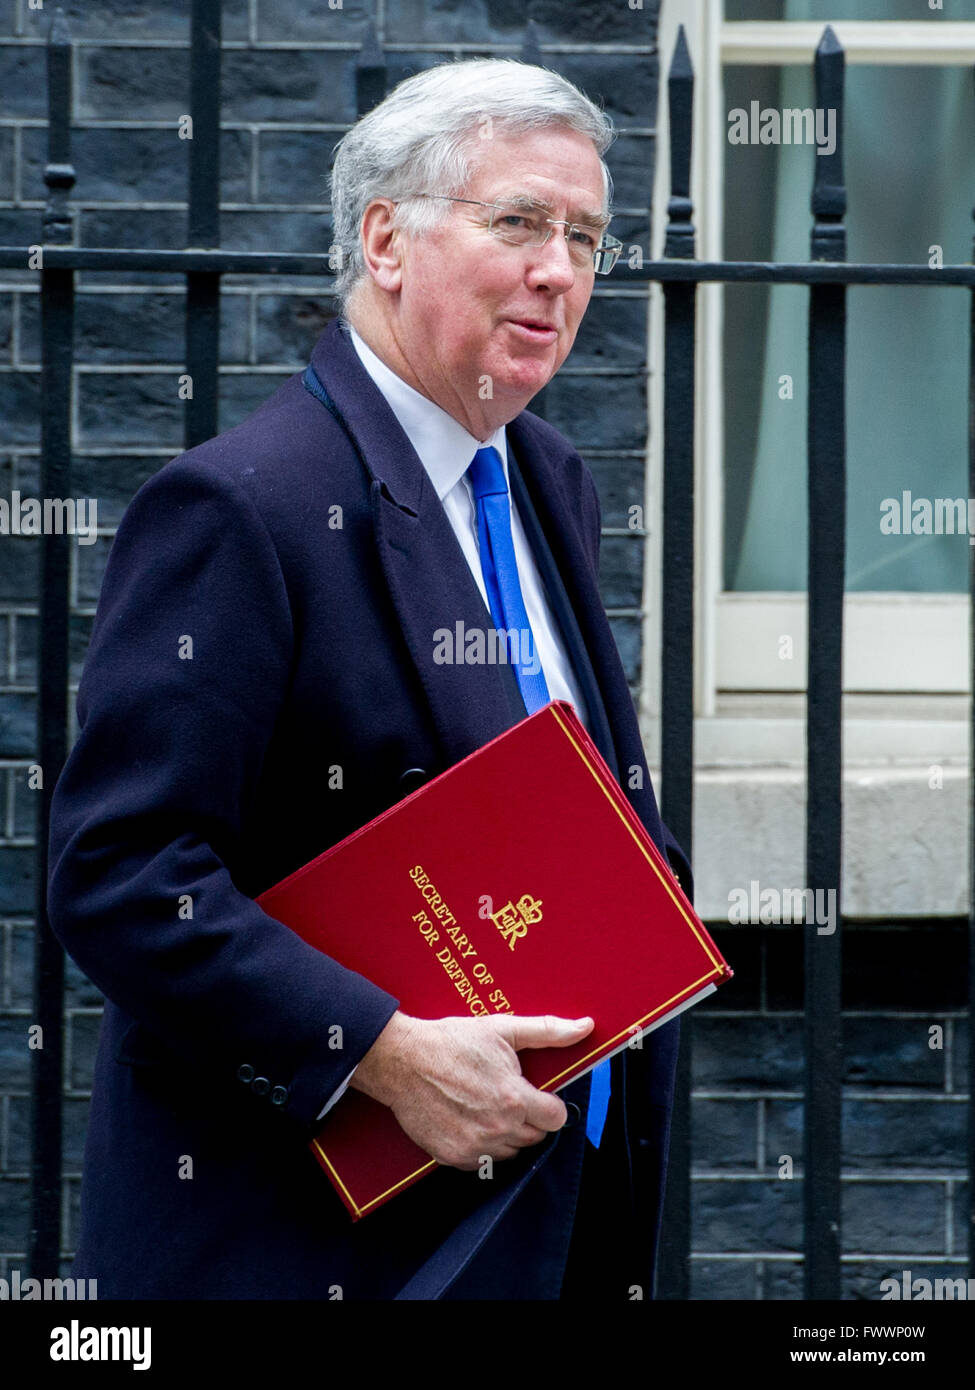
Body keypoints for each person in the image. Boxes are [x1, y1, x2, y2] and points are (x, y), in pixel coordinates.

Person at [47, 57, 690, 1301]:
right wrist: (380, 1053)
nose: (560, 271)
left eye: (585, 236)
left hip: (558, 1213)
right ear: (386, 239)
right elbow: (121, 873)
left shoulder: (548, 477)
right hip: (320, 1243)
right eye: (517, 223)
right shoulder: (241, 507)